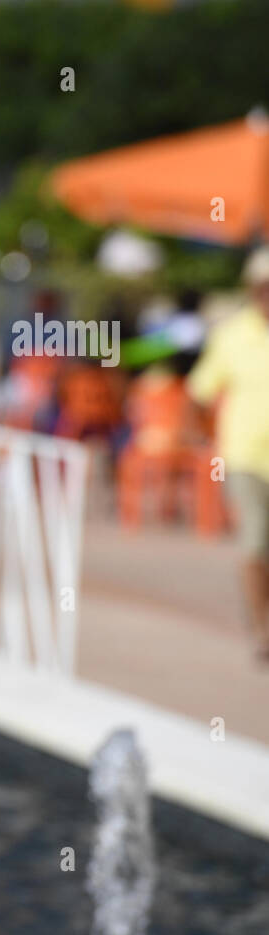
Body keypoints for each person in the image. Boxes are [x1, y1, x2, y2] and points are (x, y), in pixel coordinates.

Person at [186, 246, 269, 662]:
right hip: (246, 457)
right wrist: (203, 437)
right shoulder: (233, 334)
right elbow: (200, 390)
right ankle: (262, 628)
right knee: (254, 544)